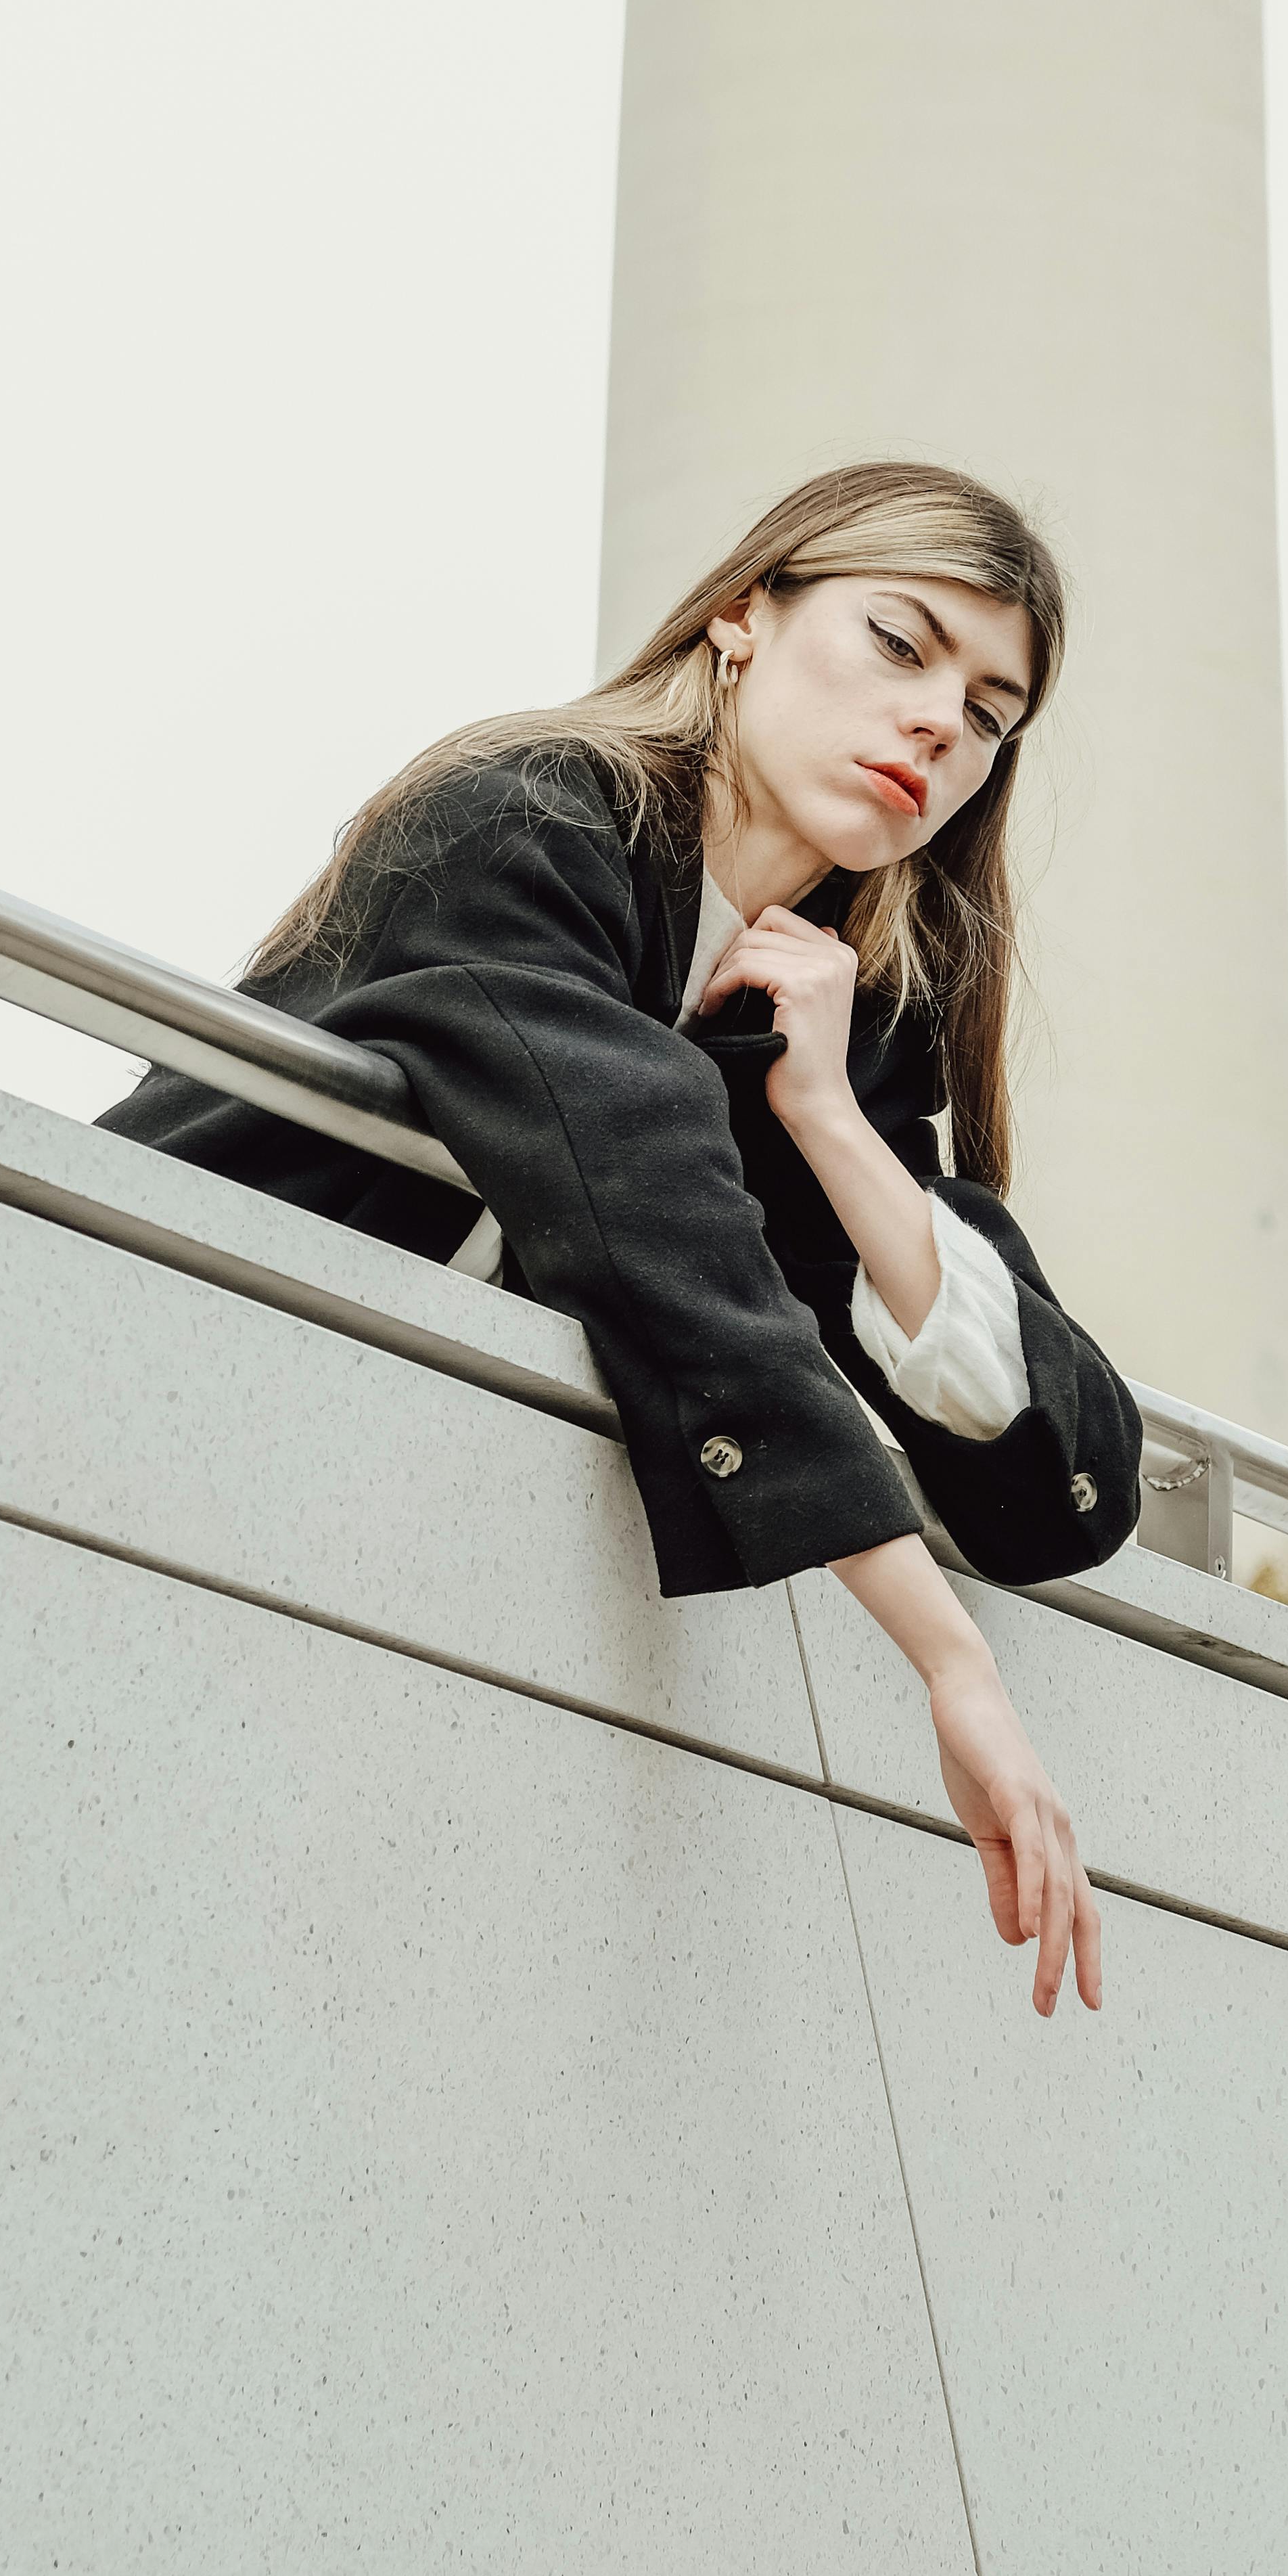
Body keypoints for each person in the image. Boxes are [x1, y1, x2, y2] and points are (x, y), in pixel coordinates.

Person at [99, 462, 1141, 2016]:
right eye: (899, 643)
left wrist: (830, 1125)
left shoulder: (835, 1014)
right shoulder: (518, 819)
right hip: (139, 1373)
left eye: (991, 713)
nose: (940, 724)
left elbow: (1061, 1479)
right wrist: (948, 1662)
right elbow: (653, 1212)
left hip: (388, 1539)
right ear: (742, 616)